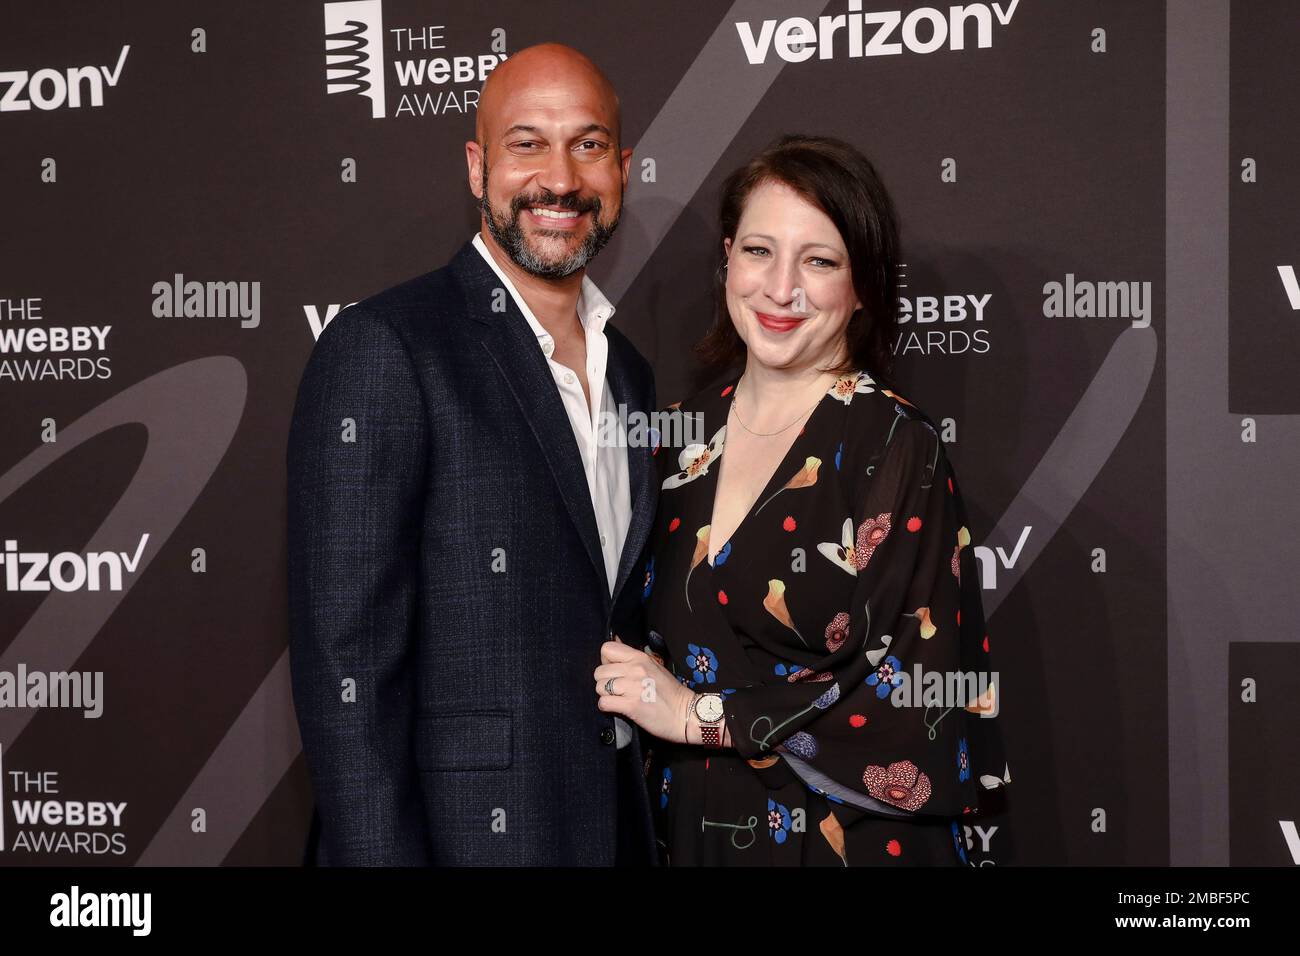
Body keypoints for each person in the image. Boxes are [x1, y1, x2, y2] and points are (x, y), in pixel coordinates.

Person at [286, 43, 659, 865]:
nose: (559, 179)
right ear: (476, 166)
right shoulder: (385, 347)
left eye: (588, 145)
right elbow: (346, 666)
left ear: (623, 169)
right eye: (527, 143)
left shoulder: (631, 371)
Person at [594, 134, 1011, 865]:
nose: (780, 288)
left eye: (819, 261)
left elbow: (913, 693)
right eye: (759, 251)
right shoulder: (682, 438)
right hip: (695, 833)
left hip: (846, 843)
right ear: (727, 257)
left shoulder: (894, 444)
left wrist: (698, 715)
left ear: (862, 286)